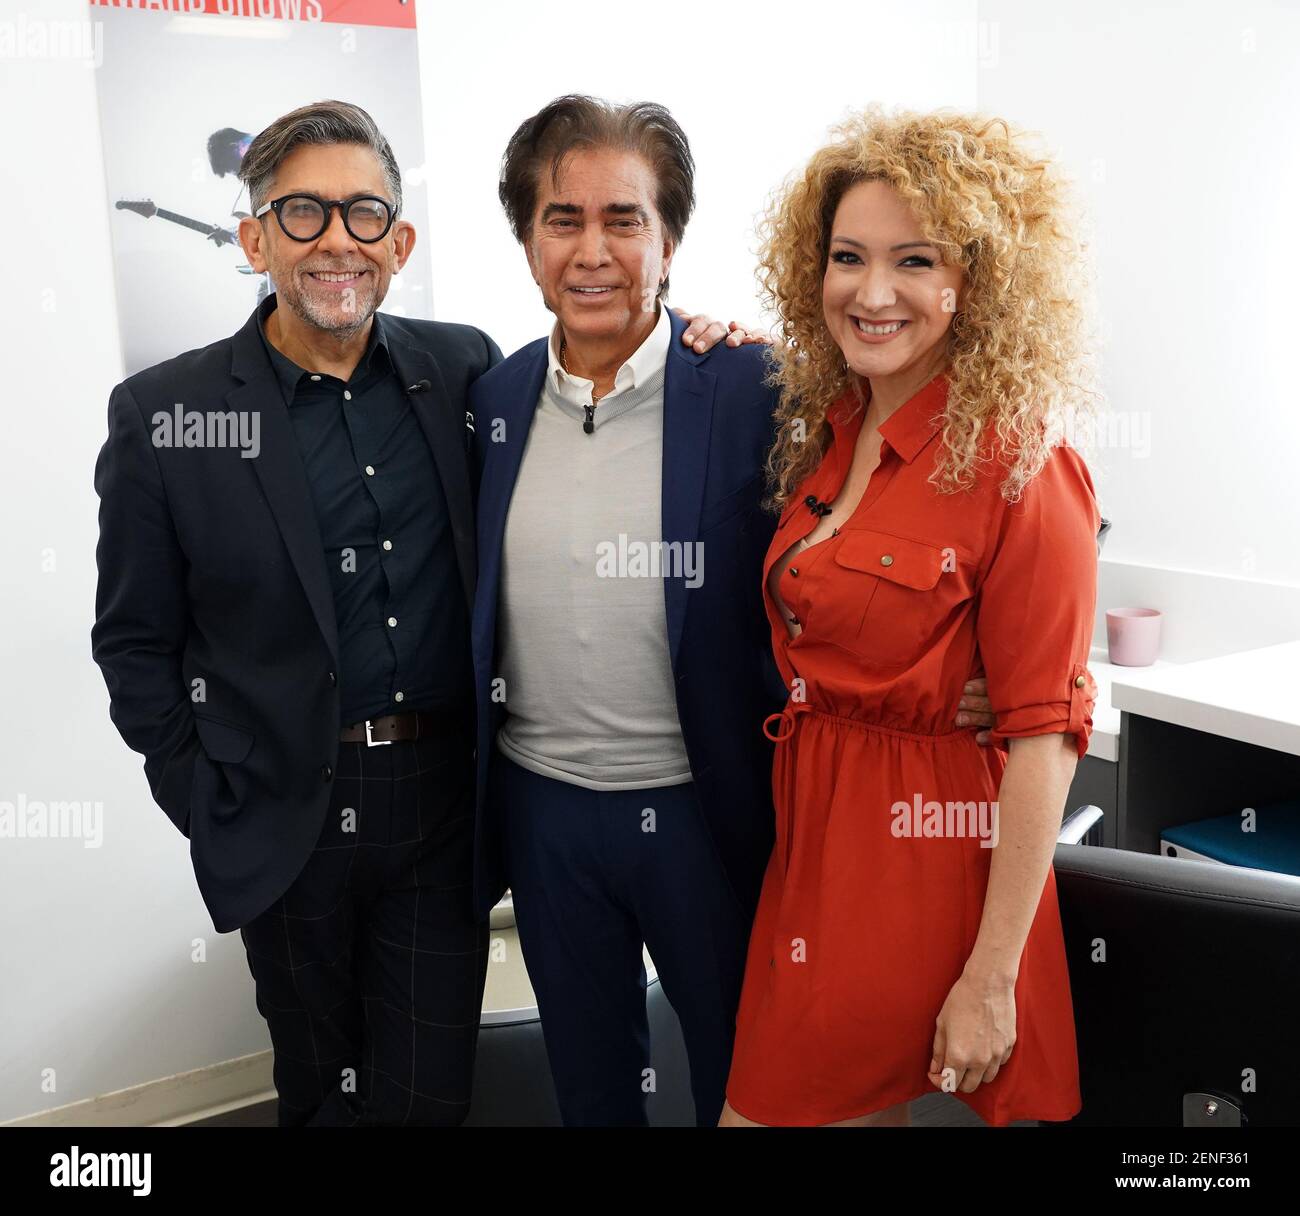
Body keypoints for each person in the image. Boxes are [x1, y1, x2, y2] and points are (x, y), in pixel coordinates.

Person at [90, 98, 742, 1127]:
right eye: (302, 213)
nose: (336, 238)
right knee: (322, 1093)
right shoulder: (168, 415)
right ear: (253, 235)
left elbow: (626, 371)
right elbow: (132, 642)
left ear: (401, 240)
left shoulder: (466, 374)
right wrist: (207, 792)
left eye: (363, 212)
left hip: (445, 808)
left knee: (430, 1097)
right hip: (283, 807)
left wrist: (710, 332)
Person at [469, 95, 999, 1127]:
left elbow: (900, 504)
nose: (593, 249)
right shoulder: (490, 399)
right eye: (561, 219)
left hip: (710, 807)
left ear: (669, 239)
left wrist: (962, 674)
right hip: (544, 811)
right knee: (589, 1088)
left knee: (746, 1082)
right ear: (528, 240)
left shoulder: (759, 384)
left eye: (624, 219)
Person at [720, 106, 1102, 1128]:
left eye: (914, 260)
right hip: (812, 854)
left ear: (972, 282)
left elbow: (1044, 738)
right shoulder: (827, 433)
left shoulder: (1024, 462)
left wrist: (989, 977)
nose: (873, 291)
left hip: (932, 872)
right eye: (847, 257)